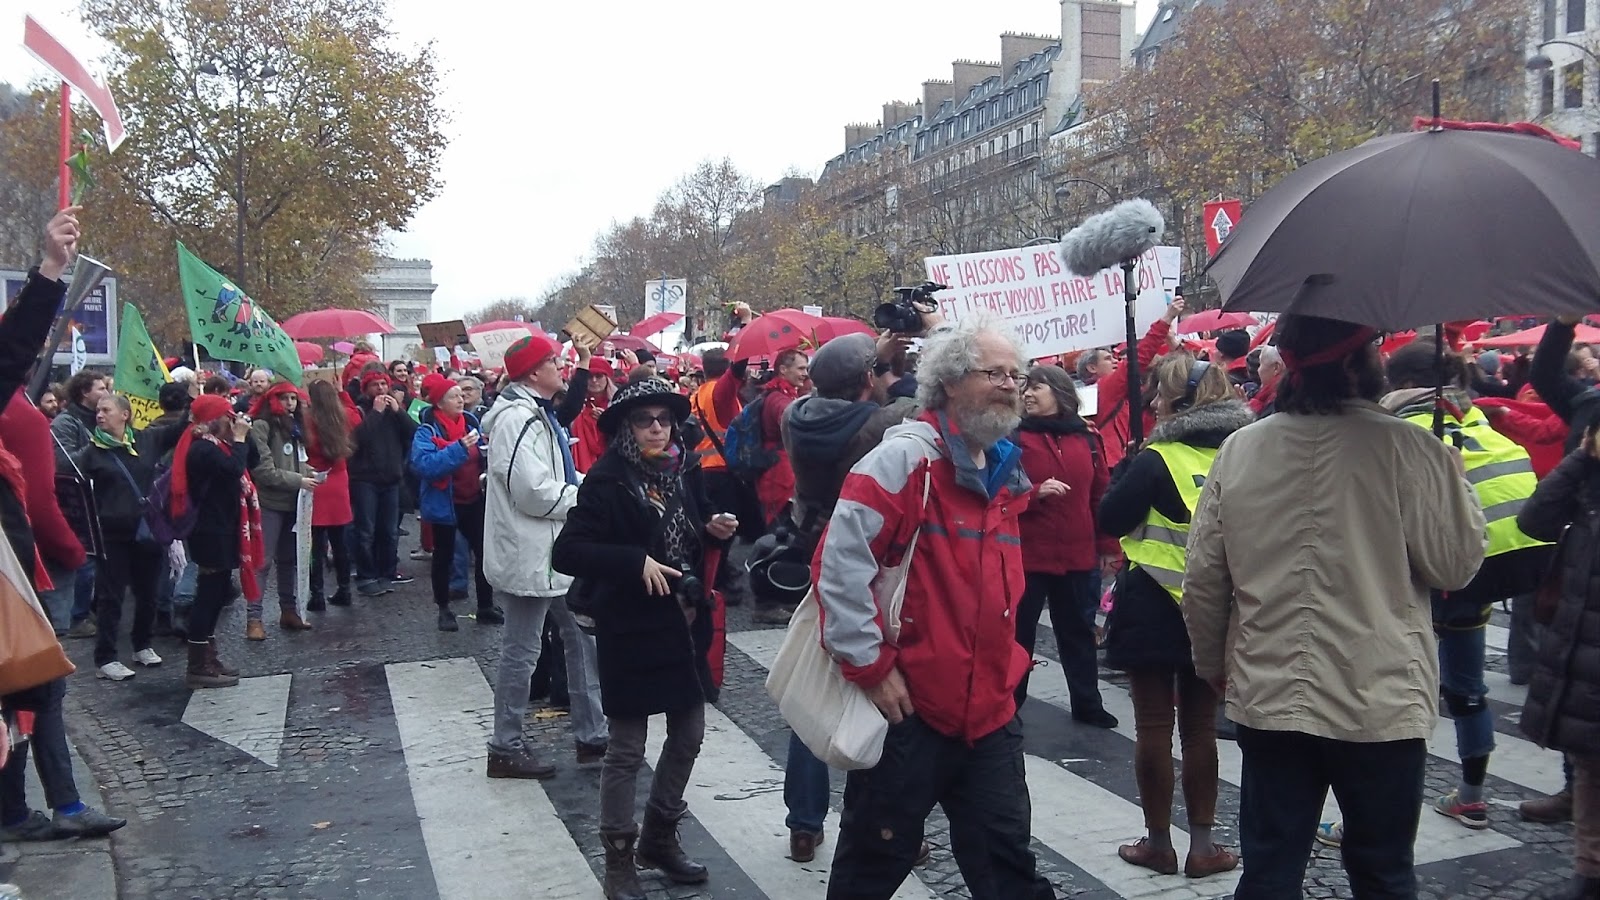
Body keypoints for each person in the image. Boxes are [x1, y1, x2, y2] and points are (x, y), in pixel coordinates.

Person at [1182, 313, 1486, 898]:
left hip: (1270, 690)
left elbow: (1204, 580)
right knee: (1382, 871)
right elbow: (1454, 565)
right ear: (1354, 361)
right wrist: (1453, 475)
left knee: (1270, 869)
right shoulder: (1411, 448)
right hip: (1380, 698)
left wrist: (1212, 666)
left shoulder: (1241, 450)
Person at [817, 315, 1054, 900]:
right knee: (874, 860)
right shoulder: (903, 461)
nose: (1009, 385)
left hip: (991, 708)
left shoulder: (1003, 466)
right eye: (993, 373)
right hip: (911, 708)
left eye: (1015, 375)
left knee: (1007, 864)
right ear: (949, 382)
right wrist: (871, 667)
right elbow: (839, 568)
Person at [552, 380, 737, 900]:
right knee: (627, 748)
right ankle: (618, 859)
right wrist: (633, 562)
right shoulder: (607, 480)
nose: (657, 427)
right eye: (644, 420)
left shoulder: (684, 468)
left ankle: (659, 838)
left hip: (682, 624)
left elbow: (692, 527)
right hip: (631, 627)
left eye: (663, 418)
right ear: (626, 430)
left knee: (690, 733)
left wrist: (715, 527)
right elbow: (568, 552)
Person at [1378, 341, 1550, 830]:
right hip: (1506, 562)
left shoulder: (1400, 433)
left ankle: (1379, 815)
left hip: (1442, 572)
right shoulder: (1475, 418)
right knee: (1467, 688)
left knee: (1401, 692)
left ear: (1399, 383)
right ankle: (1472, 796)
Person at [1097, 354, 1251, 877]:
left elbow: (1110, 517)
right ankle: (1204, 845)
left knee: (1154, 726)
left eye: (1159, 395)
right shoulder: (1244, 452)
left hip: (1153, 603)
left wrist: (1128, 464)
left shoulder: (1155, 458)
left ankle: (1159, 842)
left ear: (1180, 402)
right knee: (1201, 729)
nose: (1153, 403)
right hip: (1217, 605)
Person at [777, 332, 920, 863]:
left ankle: (803, 821)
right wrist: (897, 355)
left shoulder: (794, 415)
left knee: (815, 690)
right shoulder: (877, 424)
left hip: (816, 552)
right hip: (870, 563)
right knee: (884, 688)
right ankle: (889, 823)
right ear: (865, 379)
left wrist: (870, 358)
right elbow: (920, 399)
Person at [481, 335, 607, 779]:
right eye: (554, 361)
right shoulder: (519, 420)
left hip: (549, 552)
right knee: (523, 650)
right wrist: (582, 497)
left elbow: (548, 479)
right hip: (531, 552)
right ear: (534, 373)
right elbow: (532, 491)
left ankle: (593, 733)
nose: (562, 367)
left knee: (582, 639)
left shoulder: (535, 415)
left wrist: (585, 485)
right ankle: (505, 744)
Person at [1517, 424, 1600, 900]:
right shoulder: (1589, 483)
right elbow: (1536, 518)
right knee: (1590, 763)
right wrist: (1582, 458)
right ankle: (1590, 871)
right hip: (1584, 642)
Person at [1014, 365, 1118, 726]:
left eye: (1036, 388)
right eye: (1025, 388)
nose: (1027, 394)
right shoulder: (1011, 438)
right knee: (1018, 635)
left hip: (1077, 554)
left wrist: (1108, 546)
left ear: (1059, 393)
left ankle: (1087, 703)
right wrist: (1033, 494)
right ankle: (1009, 706)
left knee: (1078, 631)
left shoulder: (1087, 439)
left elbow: (1099, 495)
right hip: (1026, 555)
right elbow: (997, 493)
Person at [170, 393, 262, 689]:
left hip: (223, 527)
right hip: (210, 531)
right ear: (214, 420)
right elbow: (234, 468)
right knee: (209, 596)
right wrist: (238, 439)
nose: (232, 420)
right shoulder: (202, 450)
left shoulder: (219, 445)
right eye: (227, 416)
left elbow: (252, 460)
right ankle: (198, 663)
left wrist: (244, 435)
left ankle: (209, 655)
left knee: (217, 591)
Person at [75, 394, 166, 680]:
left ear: (125, 415)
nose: (99, 415)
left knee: (147, 592)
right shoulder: (92, 452)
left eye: (106, 410)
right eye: (98, 411)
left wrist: (193, 397)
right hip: (111, 534)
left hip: (146, 530)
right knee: (111, 596)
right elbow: (65, 475)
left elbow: (181, 426)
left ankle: (142, 645)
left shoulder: (147, 440)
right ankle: (106, 657)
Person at [409, 373, 503, 631]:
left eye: (462, 395)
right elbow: (424, 465)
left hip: (473, 498)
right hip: (445, 502)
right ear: (439, 403)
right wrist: (459, 448)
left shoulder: (471, 422)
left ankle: (485, 605)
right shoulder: (427, 431)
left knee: (484, 553)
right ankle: (444, 609)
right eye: (454, 396)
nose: (461, 399)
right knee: (444, 557)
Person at [246, 381, 316, 638]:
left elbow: (300, 462)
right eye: (285, 399)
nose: (290, 404)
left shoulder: (296, 428)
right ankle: (254, 618)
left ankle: (289, 610)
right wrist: (300, 480)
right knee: (262, 562)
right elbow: (264, 471)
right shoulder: (261, 427)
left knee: (289, 559)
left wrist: (312, 474)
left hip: (294, 503)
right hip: (270, 503)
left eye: (293, 399)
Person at [52, 368, 108, 639]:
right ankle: (77, 617)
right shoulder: (66, 422)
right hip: (78, 501)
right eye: (100, 388)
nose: (106, 393)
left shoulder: (101, 419)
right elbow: (62, 462)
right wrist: (97, 445)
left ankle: (91, 607)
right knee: (85, 560)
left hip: (103, 498)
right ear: (85, 392)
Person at [348, 369, 414, 597]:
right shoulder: (360, 410)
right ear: (366, 389)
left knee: (389, 530)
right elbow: (358, 440)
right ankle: (366, 575)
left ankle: (388, 571)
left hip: (391, 477)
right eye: (375, 385)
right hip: (365, 479)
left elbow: (413, 432)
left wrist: (399, 412)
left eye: (384, 384)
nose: (381, 389)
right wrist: (375, 414)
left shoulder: (394, 412)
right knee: (366, 530)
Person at [1097, 298, 1183, 469]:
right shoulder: (1108, 388)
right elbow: (1140, 358)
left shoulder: (1155, 390)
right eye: (1110, 358)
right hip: (1119, 466)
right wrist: (1166, 319)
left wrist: (1175, 345)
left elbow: (1190, 374)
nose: (1117, 360)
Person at [303, 379, 359, 611]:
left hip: (315, 479)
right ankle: (344, 589)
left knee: (315, 543)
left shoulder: (307, 418)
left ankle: (316, 593)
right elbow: (357, 416)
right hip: (338, 480)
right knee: (339, 542)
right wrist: (343, 393)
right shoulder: (343, 415)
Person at [1248, 344, 1284, 416]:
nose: (1258, 370)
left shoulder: (1278, 400)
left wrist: (1246, 411)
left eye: (1260, 364)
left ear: (1276, 368)